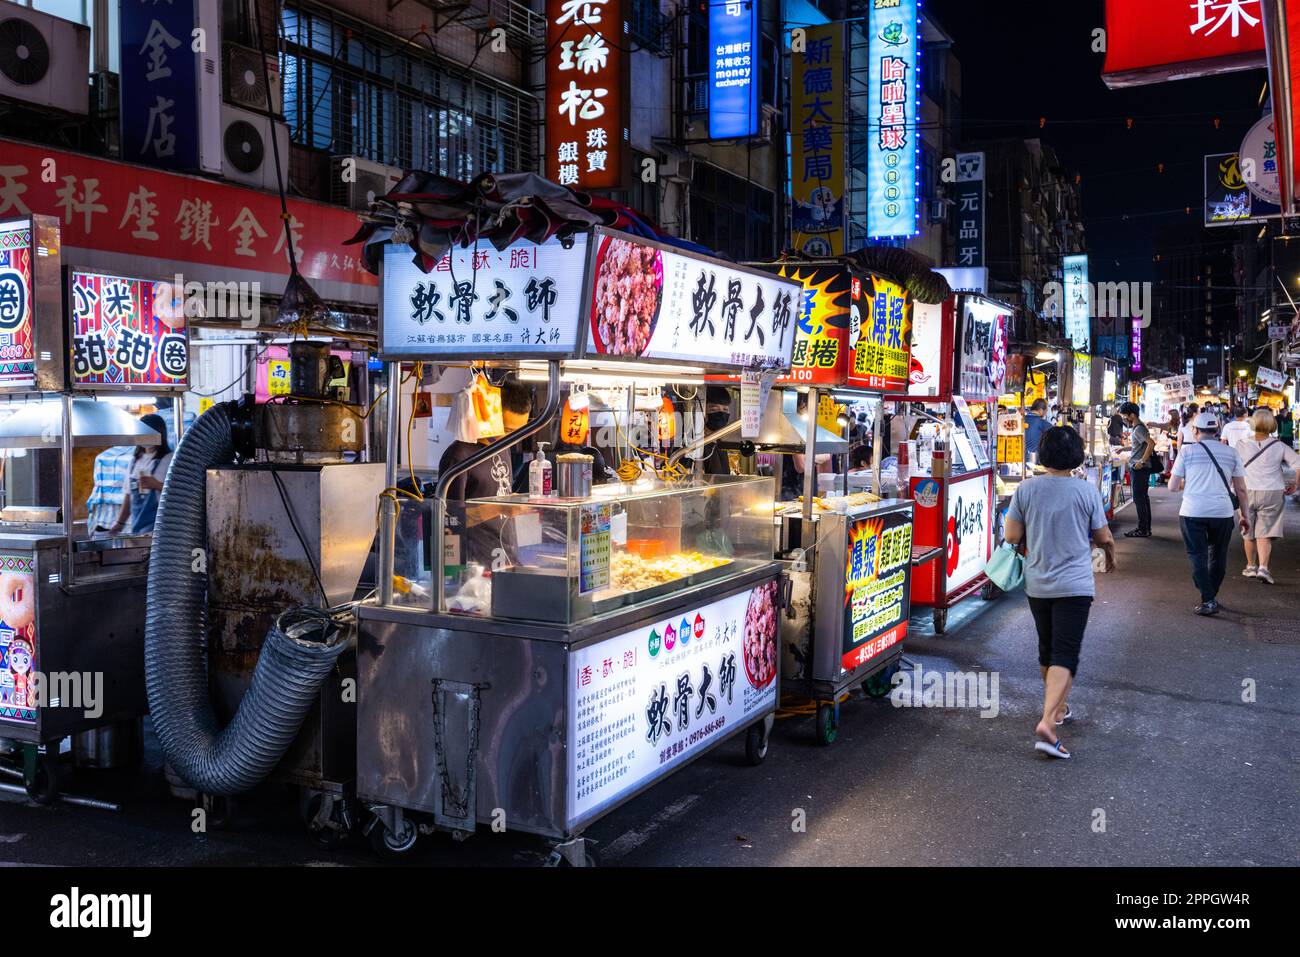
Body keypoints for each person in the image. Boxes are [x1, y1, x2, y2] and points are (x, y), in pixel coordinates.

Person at [1003, 425, 1116, 760]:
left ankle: (1059, 707)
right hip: (1075, 585)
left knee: (1047, 650)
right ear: (1077, 455)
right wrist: (1110, 556)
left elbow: (1011, 535)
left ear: (1044, 453)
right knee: (1065, 654)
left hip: (1038, 582)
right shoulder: (1086, 491)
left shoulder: (1026, 489)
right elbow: (1103, 536)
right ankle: (1048, 723)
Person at [1169, 411, 1249, 616]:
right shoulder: (1231, 453)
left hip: (1192, 511)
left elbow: (1172, 486)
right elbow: (1240, 489)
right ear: (1217, 430)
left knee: (1197, 555)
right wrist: (1245, 515)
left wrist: (1192, 481)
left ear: (1195, 431)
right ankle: (1211, 596)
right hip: (1222, 512)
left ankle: (1208, 599)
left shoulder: (1187, 453)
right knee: (1219, 556)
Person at [438, 377, 534, 501]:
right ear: (488, 416)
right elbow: (451, 516)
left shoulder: (501, 446)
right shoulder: (458, 456)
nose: (514, 439)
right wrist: (500, 509)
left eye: (520, 432)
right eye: (508, 430)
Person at [1235, 408, 1299, 584]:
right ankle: (1263, 567)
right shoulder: (1279, 445)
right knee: (1266, 531)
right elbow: (1298, 463)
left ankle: (1250, 566)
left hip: (1246, 491)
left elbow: (1232, 468)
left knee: (1247, 529)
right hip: (1272, 492)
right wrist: (1296, 484)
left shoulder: (1241, 445)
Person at [109, 414, 171, 535]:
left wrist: (157, 485)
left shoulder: (170, 459)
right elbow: (129, 496)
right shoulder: (135, 461)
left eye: (148, 433)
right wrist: (119, 523)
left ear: (159, 434)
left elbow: (180, 494)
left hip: (160, 528)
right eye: (141, 433)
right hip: (137, 527)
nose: (144, 437)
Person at [1119, 402, 1157, 538]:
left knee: (1139, 498)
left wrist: (1142, 461)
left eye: (1125, 416)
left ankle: (1143, 529)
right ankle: (1145, 527)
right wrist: (1124, 448)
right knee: (1142, 497)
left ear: (1132, 415)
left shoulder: (1139, 428)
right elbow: (1140, 446)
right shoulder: (1137, 428)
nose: (1124, 419)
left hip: (1139, 468)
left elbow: (1151, 443)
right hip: (1139, 467)